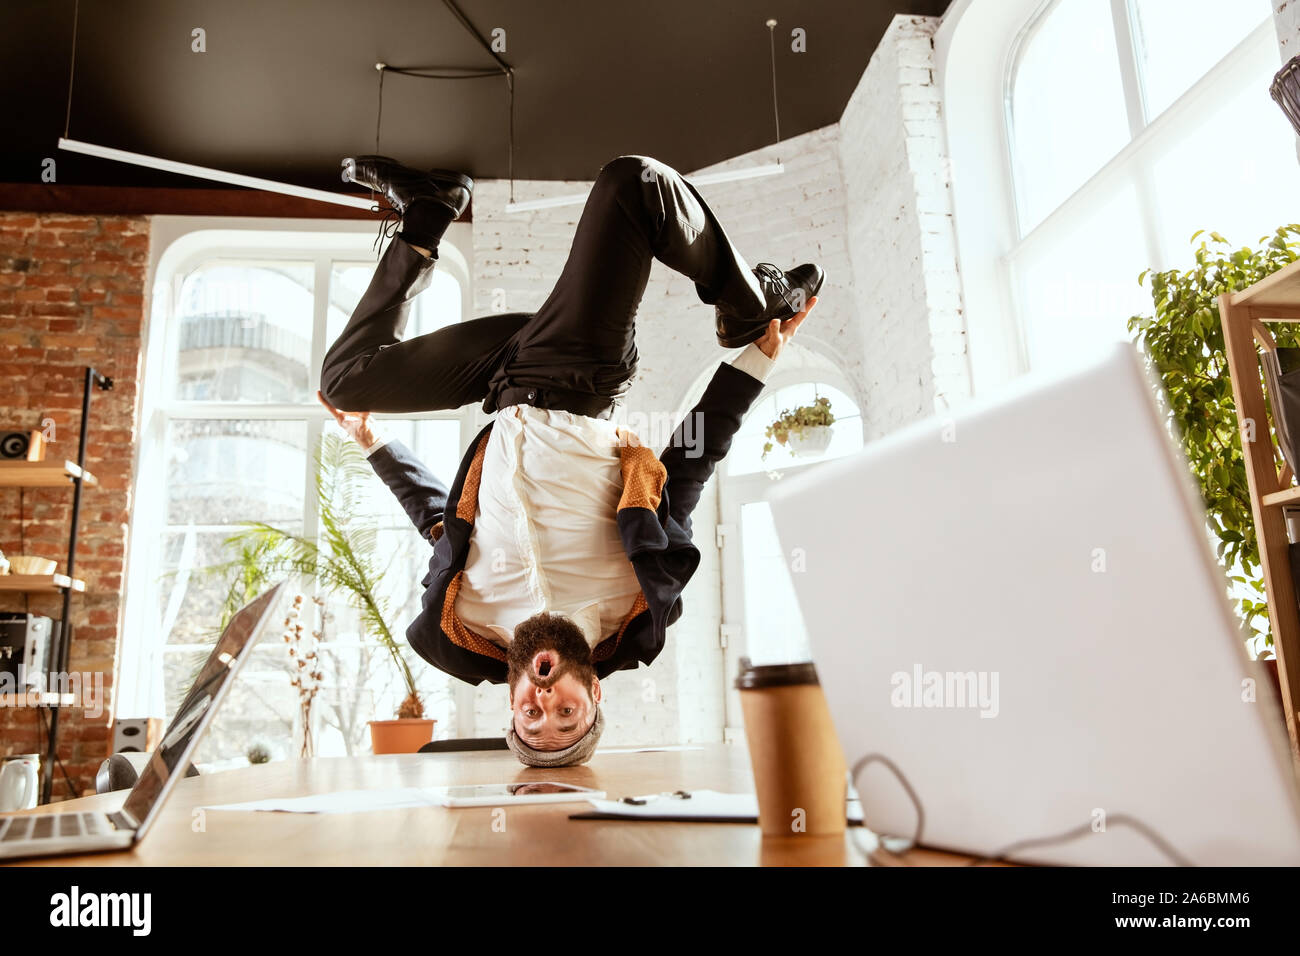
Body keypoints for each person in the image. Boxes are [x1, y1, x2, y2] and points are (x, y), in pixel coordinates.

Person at [318, 153, 823, 766]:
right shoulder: (634, 599)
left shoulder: (467, 620)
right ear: (594, 691)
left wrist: (372, 442)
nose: (545, 697)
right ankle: (755, 302)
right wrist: (758, 362)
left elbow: (438, 522)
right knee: (633, 187)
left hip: (499, 379)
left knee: (346, 380)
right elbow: (689, 467)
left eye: (533, 715)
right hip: (578, 371)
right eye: (567, 713)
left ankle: (429, 210)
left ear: (512, 701)